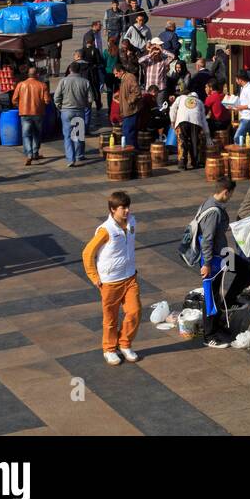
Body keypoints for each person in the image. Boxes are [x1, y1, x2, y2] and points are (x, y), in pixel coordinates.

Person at [81, 191, 140, 367]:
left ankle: (125, 344)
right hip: (110, 282)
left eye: (128, 207)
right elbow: (87, 253)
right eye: (123, 208)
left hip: (130, 277)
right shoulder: (105, 230)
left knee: (135, 311)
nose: (127, 211)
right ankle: (109, 349)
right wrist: (93, 276)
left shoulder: (132, 223)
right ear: (113, 210)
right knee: (110, 318)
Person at [195, 178, 237, 347]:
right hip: (212, 260)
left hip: (220, 255)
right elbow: (207, 239)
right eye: (231, 194)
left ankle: (219, 320)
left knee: (239, 270)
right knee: (211, 295)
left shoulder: (211, 202)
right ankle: (209, 335)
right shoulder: (213, 211)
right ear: (226, 192)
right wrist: (206, 265)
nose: (231, 197)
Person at [54, 62, 93, 167]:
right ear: (79, 70)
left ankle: (70, 159)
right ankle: (79, 155)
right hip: (79, 111)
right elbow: (90, 99)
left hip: (66, 111)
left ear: (70, 69)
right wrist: (86, 106)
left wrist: (59, 106)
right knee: (78, 135)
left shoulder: (63, 81)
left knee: (67, 136)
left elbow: (56, 97)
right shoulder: (85, 82)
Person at [12, 66, 51, 166]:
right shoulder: (42, 85)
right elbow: (47, 101)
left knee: (26, 135)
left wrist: (20, 106)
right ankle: (35, 153)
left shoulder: (21, 84)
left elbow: (14, 99)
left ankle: (29, 154)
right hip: (38, 113)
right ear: (37, 74)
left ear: (28, 74)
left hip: (24, 113)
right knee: (37, 134)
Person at [169, 89, 207, 170]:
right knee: (195, 142)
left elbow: (172, 109)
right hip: (196, 121)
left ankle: (182, 163)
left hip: (182, 120)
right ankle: (195, 162)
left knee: (182, 141)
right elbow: (203, 118)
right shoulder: (199, 102)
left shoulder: (181, 97)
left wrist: (172, 121)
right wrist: (207, 132)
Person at [116, 62, 142, 148]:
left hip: (131, 111)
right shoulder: (124, 79)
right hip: (127, 111)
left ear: (121, 71)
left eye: (116, 73)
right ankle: (133, 152)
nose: (115, 76)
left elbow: (137, 92)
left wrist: (129, 101)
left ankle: (131, 154)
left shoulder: (130, 77)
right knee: (129, 134)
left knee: (128, 134)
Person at [232, 69, 250, 145]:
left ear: (240, 79)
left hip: (249, 117)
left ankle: (241, 155)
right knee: (248, 139)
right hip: (245, 116)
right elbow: (243, 102)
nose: (236, 81)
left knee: (237, 138)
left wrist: (241, 107)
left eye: (236, 79)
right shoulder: (243, 88)